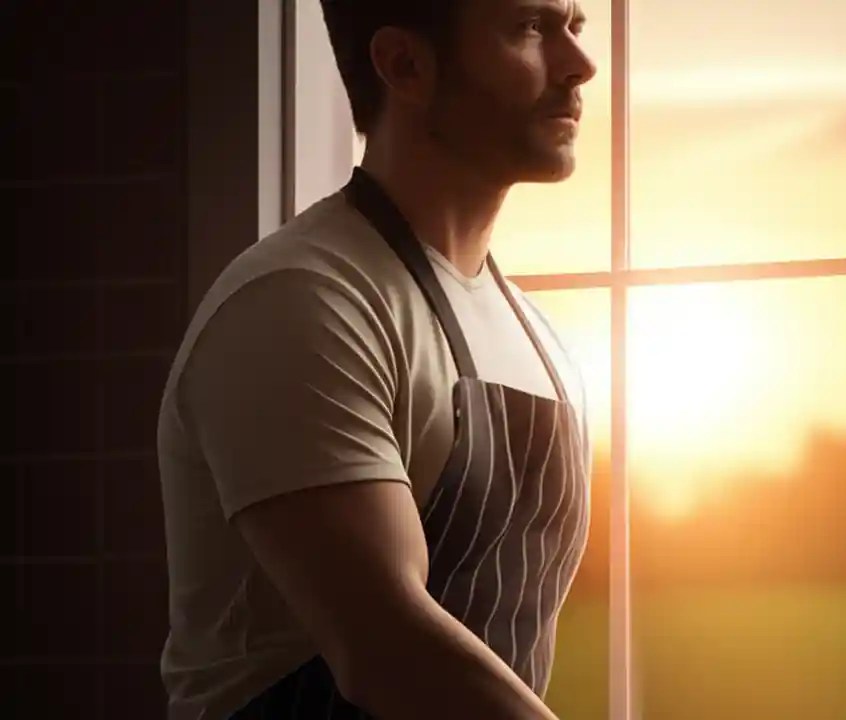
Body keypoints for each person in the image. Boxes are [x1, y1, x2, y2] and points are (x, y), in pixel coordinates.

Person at [156, 0, 596, 717]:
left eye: (575, 27)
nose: (580, 65)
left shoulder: (542, 341)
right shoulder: (301, 300)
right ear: (405, 65)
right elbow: (388, 649)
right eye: (529, 28)